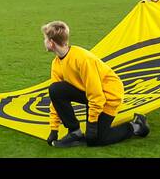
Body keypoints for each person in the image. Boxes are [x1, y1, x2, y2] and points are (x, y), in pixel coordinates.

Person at [42, 20, 148, 148]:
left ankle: (137, 126)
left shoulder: (83, 59)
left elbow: (97, 95)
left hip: (109, 95)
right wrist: (54, 128)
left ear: (52, 43)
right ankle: (74, 132)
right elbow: (56, 98)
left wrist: (92, 123)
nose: (44, 41)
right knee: (56, 89)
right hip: (90, 93)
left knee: (95, 140)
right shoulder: (56, 63)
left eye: (45, 39)